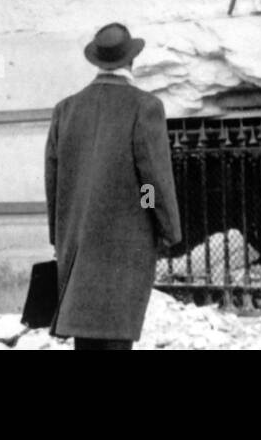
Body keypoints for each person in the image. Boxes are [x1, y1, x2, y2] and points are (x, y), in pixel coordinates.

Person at [44, 22, 182, 350]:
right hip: (127, 244)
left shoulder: (65, 109)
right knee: (117, 338)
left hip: (77, 243)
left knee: (86, 338)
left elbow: (53, 180)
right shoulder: (144, 106)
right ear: (131, 61)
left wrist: (58, 234)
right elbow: (150, 180)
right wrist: (162, 225)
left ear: (97, 61)